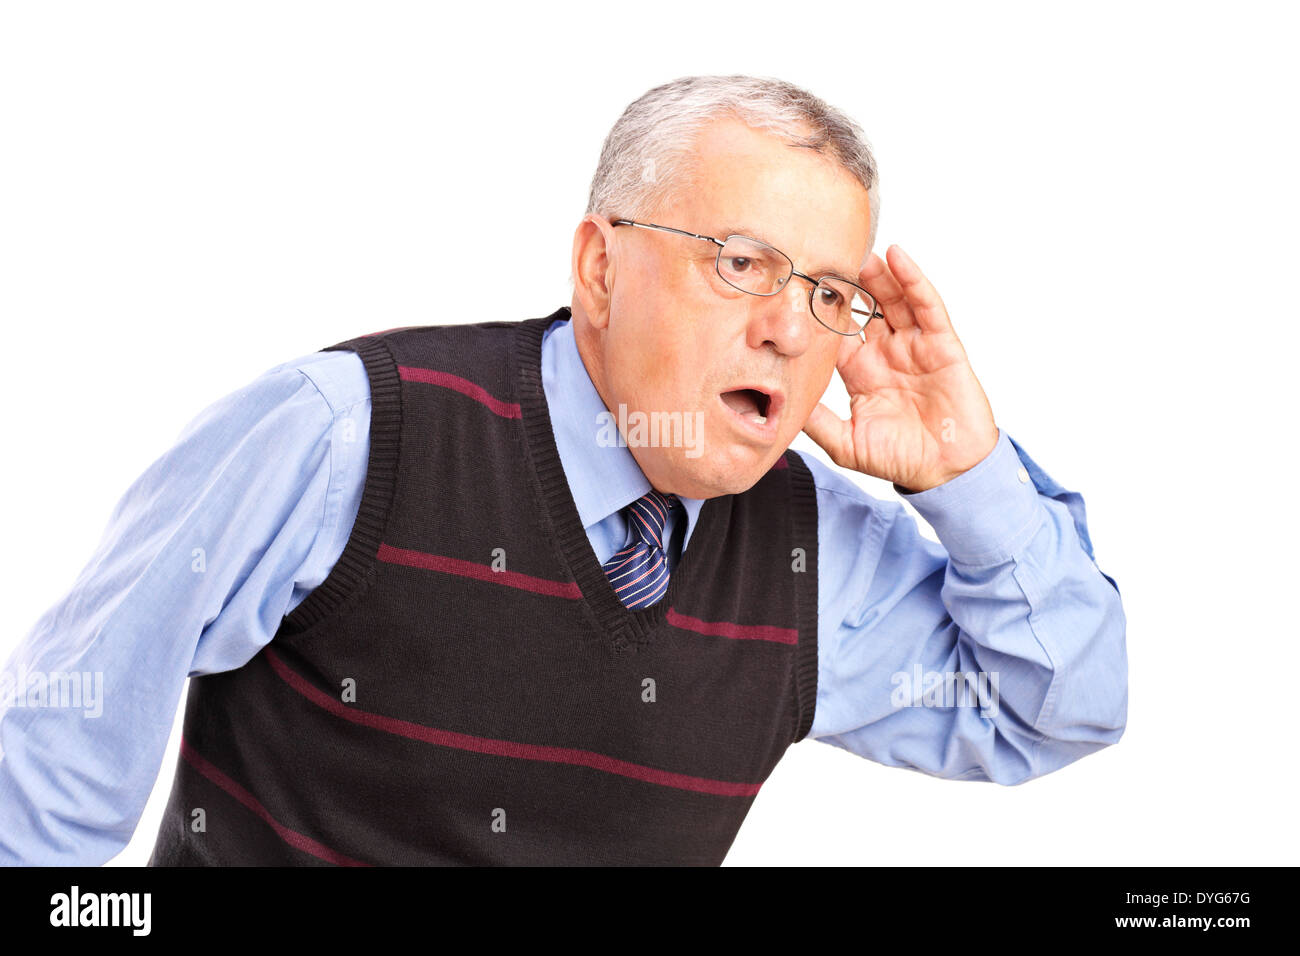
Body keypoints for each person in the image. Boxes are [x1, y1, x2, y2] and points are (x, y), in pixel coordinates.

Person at [0, 74, 1127, 866]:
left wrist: (967, 478)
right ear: (599, 268)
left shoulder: (814, 554)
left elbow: (1059, 710)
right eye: (743, 263)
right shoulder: (344, 434)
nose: (790, 330)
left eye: (830, 293)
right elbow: (52, 775)